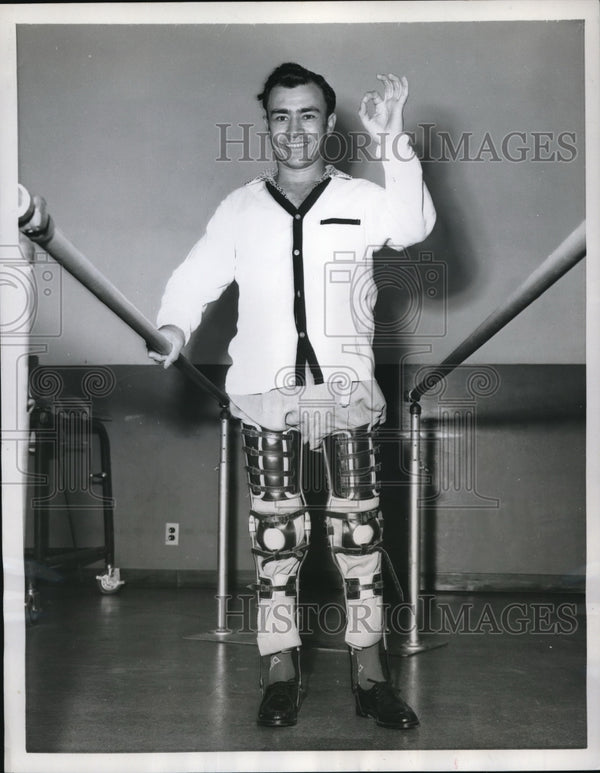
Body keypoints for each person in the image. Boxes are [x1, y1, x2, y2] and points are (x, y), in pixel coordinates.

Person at [150, 62, 436, 729]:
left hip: (343, 392)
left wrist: (391, 136)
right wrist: (173, 326)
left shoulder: (363, 199)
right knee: (276, 538)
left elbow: (415, 223)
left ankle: (370, 676)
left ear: (329, 123)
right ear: (268, 125)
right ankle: (279, 670)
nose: (295, 129)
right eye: (281, 115)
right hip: (267, 392)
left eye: (308, 114)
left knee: (359, 535)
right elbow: (195, 277)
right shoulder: (240, 208)